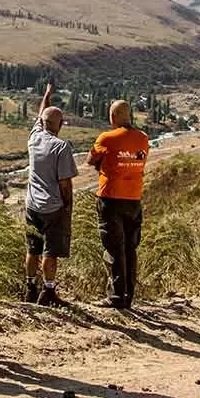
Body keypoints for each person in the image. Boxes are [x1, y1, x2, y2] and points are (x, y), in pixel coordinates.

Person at [88, 99, 150, 310]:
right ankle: (128, 295)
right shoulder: (143, 138)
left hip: (110, 198)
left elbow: (91, 159)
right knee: (131, 248)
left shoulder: (107, 138)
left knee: (115, 248)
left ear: (112, 117)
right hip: (134, 199)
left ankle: (116, 296)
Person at [23, 80, 78, 307]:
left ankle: (29, 287)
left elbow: (41, 115)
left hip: (31, 204)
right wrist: (68, 206)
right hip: (52, 206)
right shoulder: (60, 147)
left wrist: (47, 94)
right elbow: (65, 183)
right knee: (50, 250)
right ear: (61, 124)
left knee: (32, 248)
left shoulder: (34, 137)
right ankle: (48, 291)